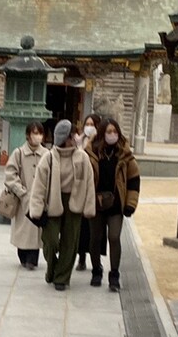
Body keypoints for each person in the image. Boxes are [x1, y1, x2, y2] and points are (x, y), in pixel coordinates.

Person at [27, 118, 96, 291]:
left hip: (75, 202)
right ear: (65, 137)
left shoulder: (82, 158)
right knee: (50, 240)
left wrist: (89, 207)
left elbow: (89, 183)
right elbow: (39, 186)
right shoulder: (48, 158)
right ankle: (52, 268)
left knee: (70, 241)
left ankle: (62, 277)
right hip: (53, 202)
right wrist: (36, 208)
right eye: (72, 134)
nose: (76, 137)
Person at [87, 117, 140, 292]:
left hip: (116, 204)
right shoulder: (91, 152)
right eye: (109, 131)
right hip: (96, 203)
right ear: (102, 133)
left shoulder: (124, 154)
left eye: (115, 131)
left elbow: (134, 180)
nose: (112, 135)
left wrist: (130, 203)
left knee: (114, 237)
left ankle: (114, 274)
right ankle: (96, 270)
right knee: (95, 238)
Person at [3, 121, 46, 270]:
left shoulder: (46, 154)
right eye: (35, 133)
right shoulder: (19, 153)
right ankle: (23, 256)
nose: (38, 136)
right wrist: (21, 191)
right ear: (28, 135)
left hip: (39, 199)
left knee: (36, 230)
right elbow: (10, 174)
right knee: (23, 230)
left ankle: (32, 260)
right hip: (23, 199)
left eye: (40, 133)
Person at [75, 113, 103, 272]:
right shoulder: (78, 141)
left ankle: (95, 261)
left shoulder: (99, 144)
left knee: (93, 230)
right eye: (88, 123)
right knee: (81, 228)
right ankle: (81, 258)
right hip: (80, 189)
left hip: (94, 190)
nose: (89, 126)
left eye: (93, 124)